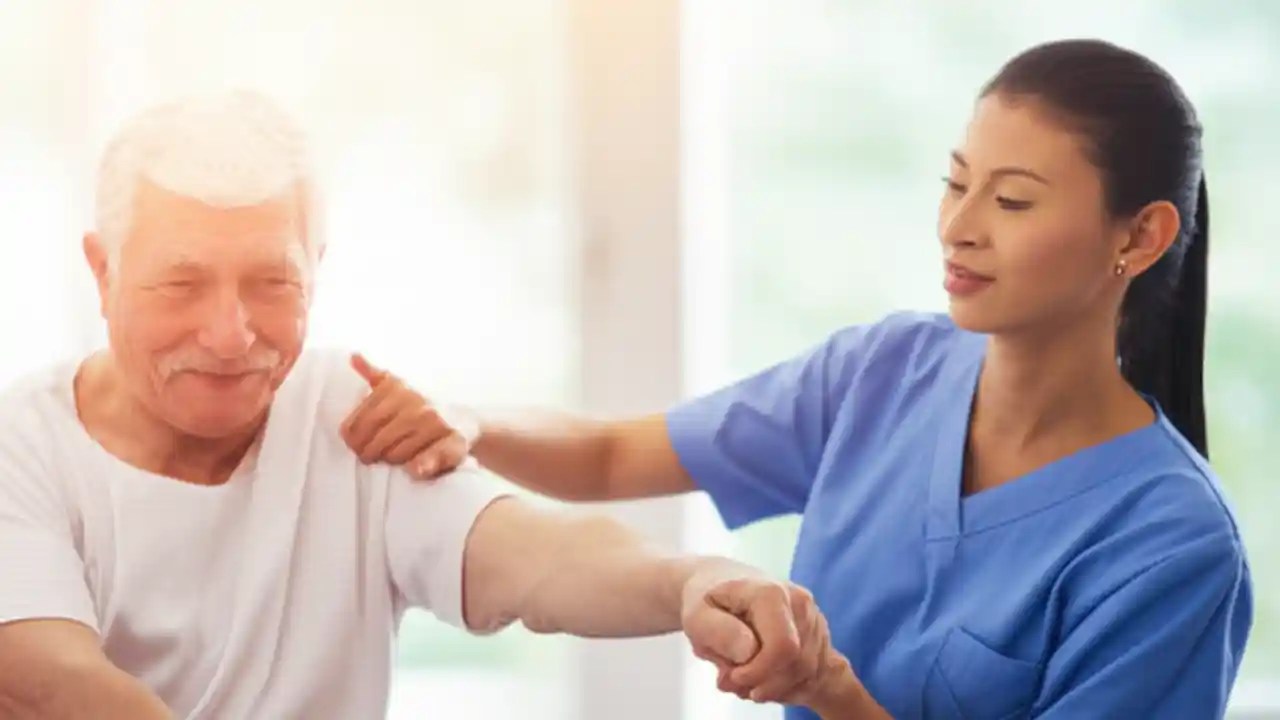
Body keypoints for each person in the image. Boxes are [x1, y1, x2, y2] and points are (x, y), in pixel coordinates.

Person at [344, 39, 1253, 718]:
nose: (959, 226)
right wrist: (468, 422)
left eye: (1012, 201)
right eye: (955, 183)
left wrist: (831, 691)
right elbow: (616, 456)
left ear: (1139, 237)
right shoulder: (884, 374)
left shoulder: (1171, 549)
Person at [0, 91, 857, 720]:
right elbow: (62, 686)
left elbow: (539, 557)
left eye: (272, 283)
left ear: (318, 266)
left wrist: (690, 582)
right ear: (103, 270)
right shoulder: (21, 448)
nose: (231, 333)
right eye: (182, 284)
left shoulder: (348, 412)